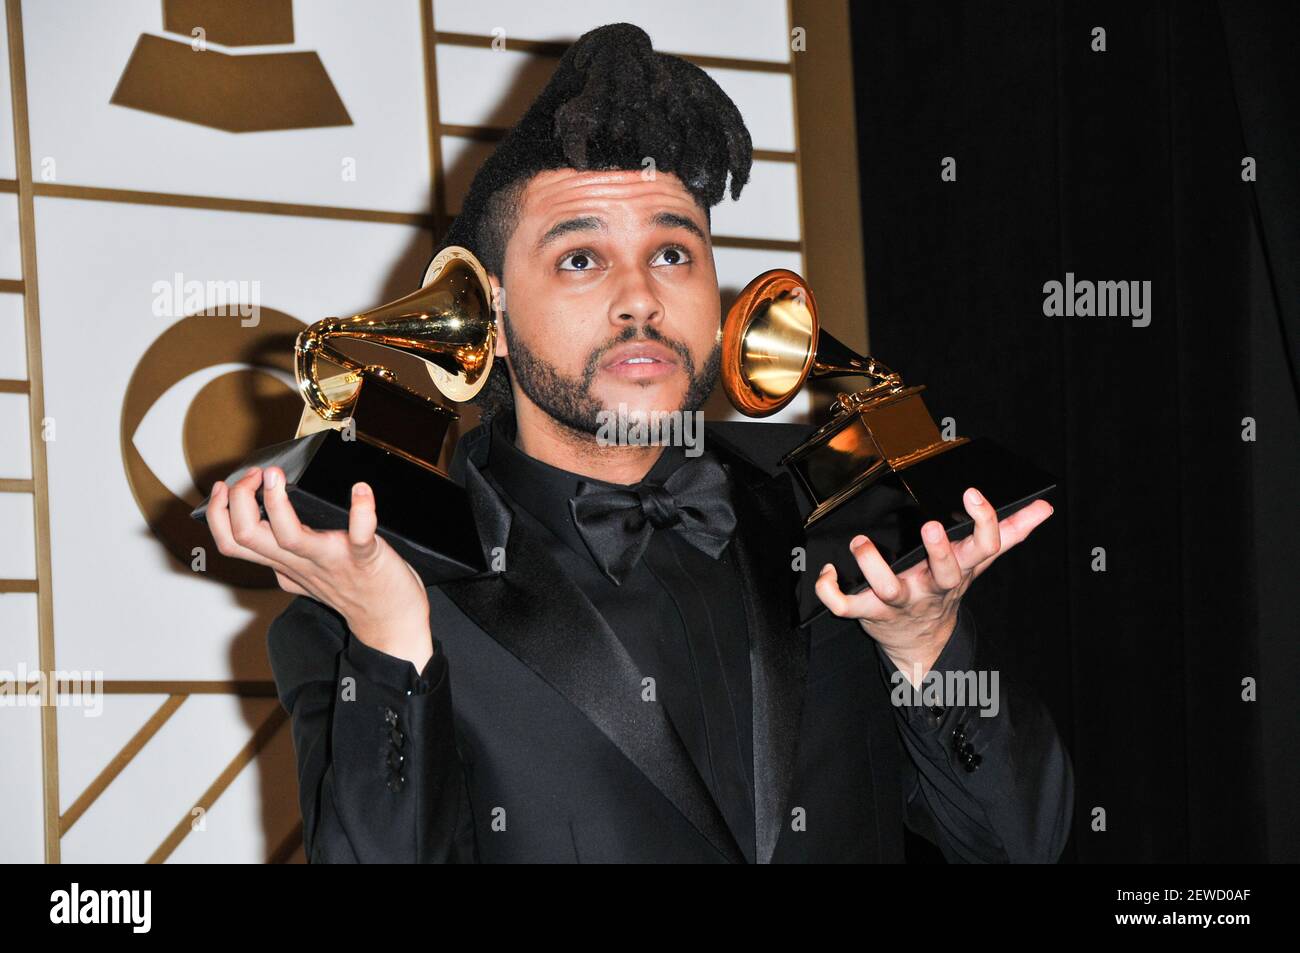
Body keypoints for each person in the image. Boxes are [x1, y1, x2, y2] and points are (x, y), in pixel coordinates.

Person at [204, 22, 1073, 863]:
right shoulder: (377, 599)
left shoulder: (839, 518)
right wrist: (390, 633)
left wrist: (926, 645)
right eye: (580, 259)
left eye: (672, 254)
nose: (639, 300)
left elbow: (1021, 844)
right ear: (489, 319)